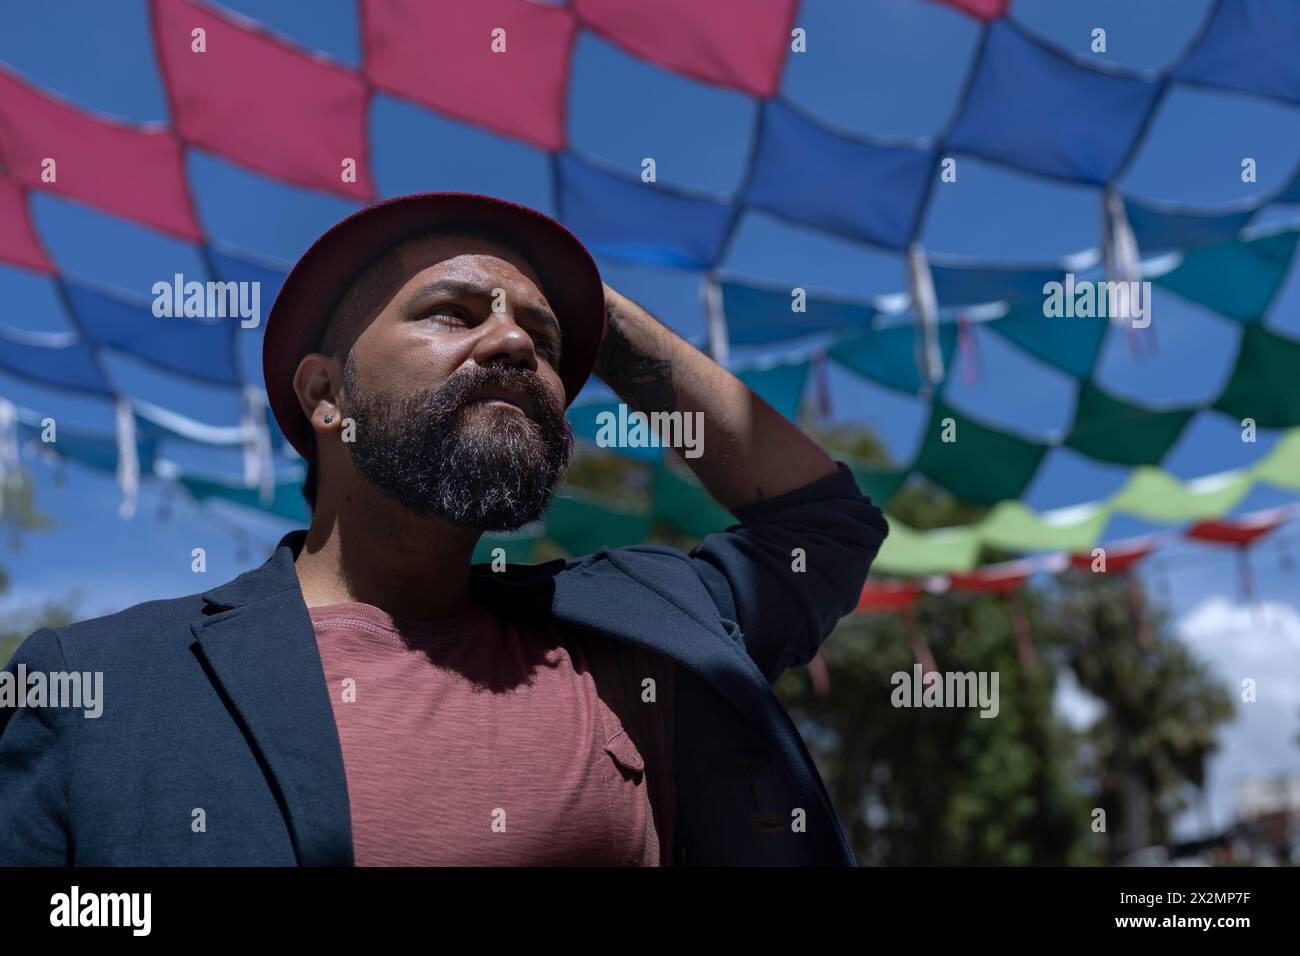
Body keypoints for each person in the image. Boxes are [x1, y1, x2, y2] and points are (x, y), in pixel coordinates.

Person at [0, 193, 888, 866]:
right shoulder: (97, 689)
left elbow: (823, 523)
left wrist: (596, 318)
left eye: (541, 339)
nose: (514, 345)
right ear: (326, 397)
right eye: (452, 314)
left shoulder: (646, 623)